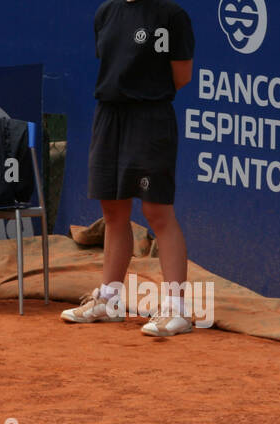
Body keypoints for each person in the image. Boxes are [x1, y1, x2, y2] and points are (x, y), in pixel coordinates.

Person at [61, 0, 197, 336]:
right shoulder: (106, 12)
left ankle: (175, 310)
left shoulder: (172, 15)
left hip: (151, 118)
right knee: (113, 212)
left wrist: (145, 93)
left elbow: (182, 76)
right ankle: (109, 301)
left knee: (157, 212)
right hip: (109, 116)